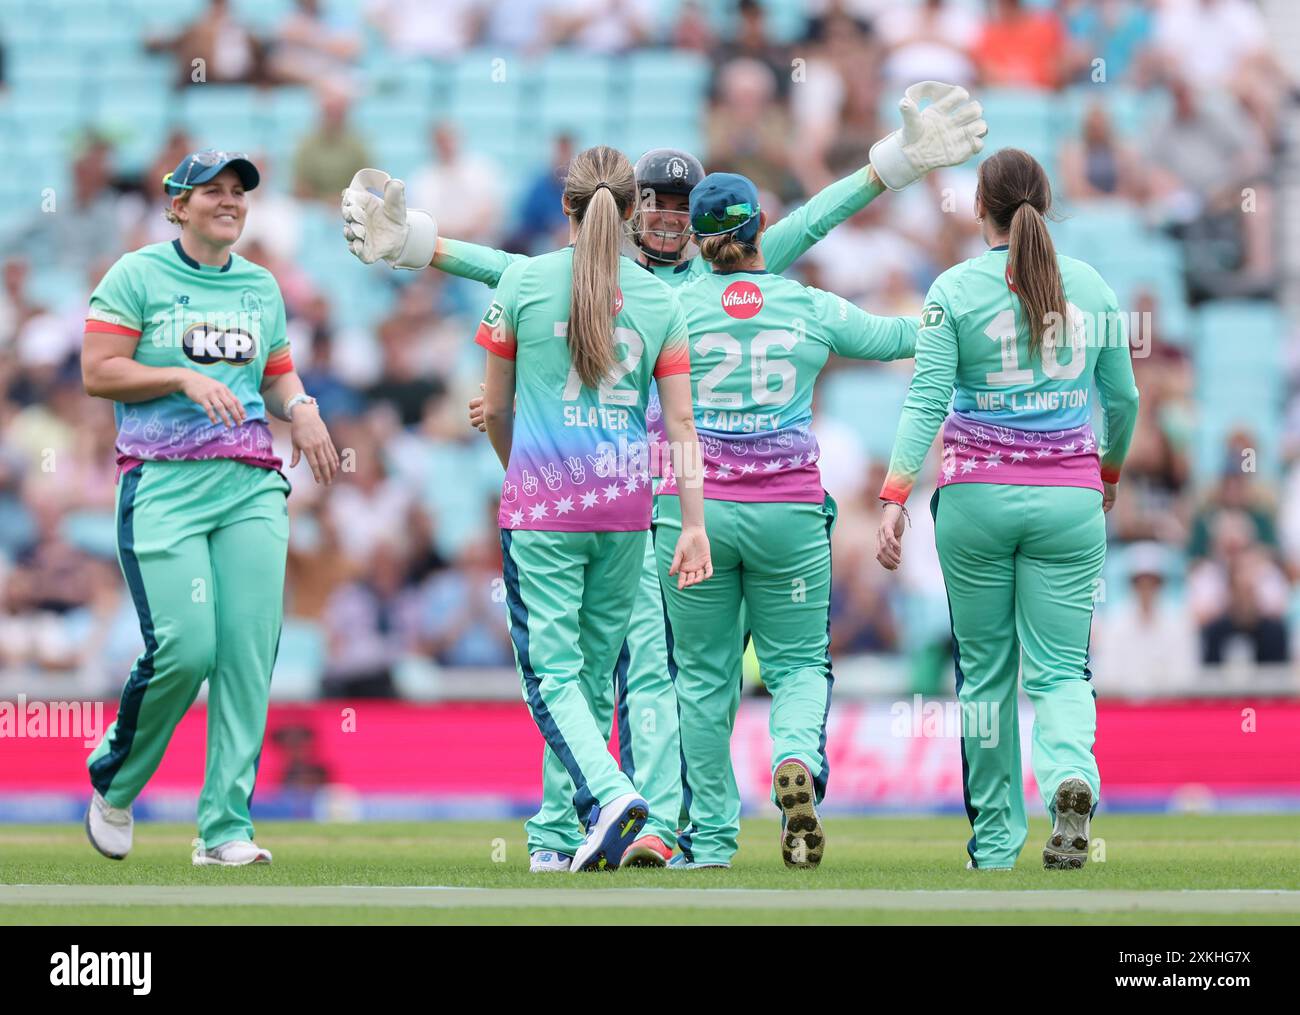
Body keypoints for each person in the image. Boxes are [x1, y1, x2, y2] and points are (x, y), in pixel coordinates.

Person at [341, 82, 985, 869]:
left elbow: (808, 219)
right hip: (649, 505)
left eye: (684, 208)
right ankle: (585, 825)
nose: (672, 220)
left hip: (657, 509)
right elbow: (512, 270)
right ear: (633, 210)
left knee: (635, 675)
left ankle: (648, 825)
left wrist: (893, 164)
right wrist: (417, 243)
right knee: (621, 673)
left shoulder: (696, 275)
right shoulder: (642, 277)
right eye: (658, 206)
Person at [875, 148, 1140, 871]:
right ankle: (1067, 780)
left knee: (987, 674)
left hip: (975, 502)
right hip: (1070, 500)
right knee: (1060, 670)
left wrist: (895, 495)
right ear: (1048, 201)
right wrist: (1108, 472)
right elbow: (1125, 400)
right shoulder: (1091, 286)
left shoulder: (953, 290)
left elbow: (927, 400)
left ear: (976, 208)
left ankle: (994, 845)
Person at [652, 172, 919, 870]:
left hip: (694, 514)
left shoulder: (670, 303)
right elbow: (896, 338)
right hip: (789, 517)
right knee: (798, 663)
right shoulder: (807, 304)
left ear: (696, 240)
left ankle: (709, 840)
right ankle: (796, 757)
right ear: (760, 225)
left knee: (704, 677)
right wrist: (976, 318)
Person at [80, 150, 340, 866]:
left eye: (238, 193)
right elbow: (98, 370)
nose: (229, 201)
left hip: (250, 484)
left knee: (248, 655)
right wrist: (181, 378)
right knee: (187, 647)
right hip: (163, 482)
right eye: (212, 192)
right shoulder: (137, 274)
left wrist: (306, 410)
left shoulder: (260, 286)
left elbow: (278, 374)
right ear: (176, 205)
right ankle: (114, 779)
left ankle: (224, 827)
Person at [475, 145, 711, 871]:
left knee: (550, 677)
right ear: (636, 212)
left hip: (545, 510)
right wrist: (694, 522)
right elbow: (680, 428)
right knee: (587, 678)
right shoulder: (660, 301)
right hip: (626, 514)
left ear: (566, 206)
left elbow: (494, 409)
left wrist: (521, 474)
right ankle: (556, 835)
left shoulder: (521, 282)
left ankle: (609, 795)